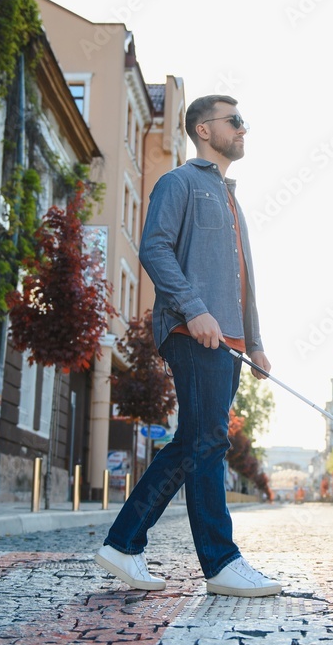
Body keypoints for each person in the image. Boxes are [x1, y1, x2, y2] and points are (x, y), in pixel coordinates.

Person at [94, 95, 281, 598]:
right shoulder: (179, 182)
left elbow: (244, 281)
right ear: (203, 129)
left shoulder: (232, 200)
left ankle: (123, 544)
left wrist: (256, 342)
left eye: (244, 121)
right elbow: (154, 248)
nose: (243, 129)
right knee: (209, 441)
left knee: (194, 442)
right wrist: (193, 309)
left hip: (230, 341)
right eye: (234, 121)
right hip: (191, 332)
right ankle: (221, 562)